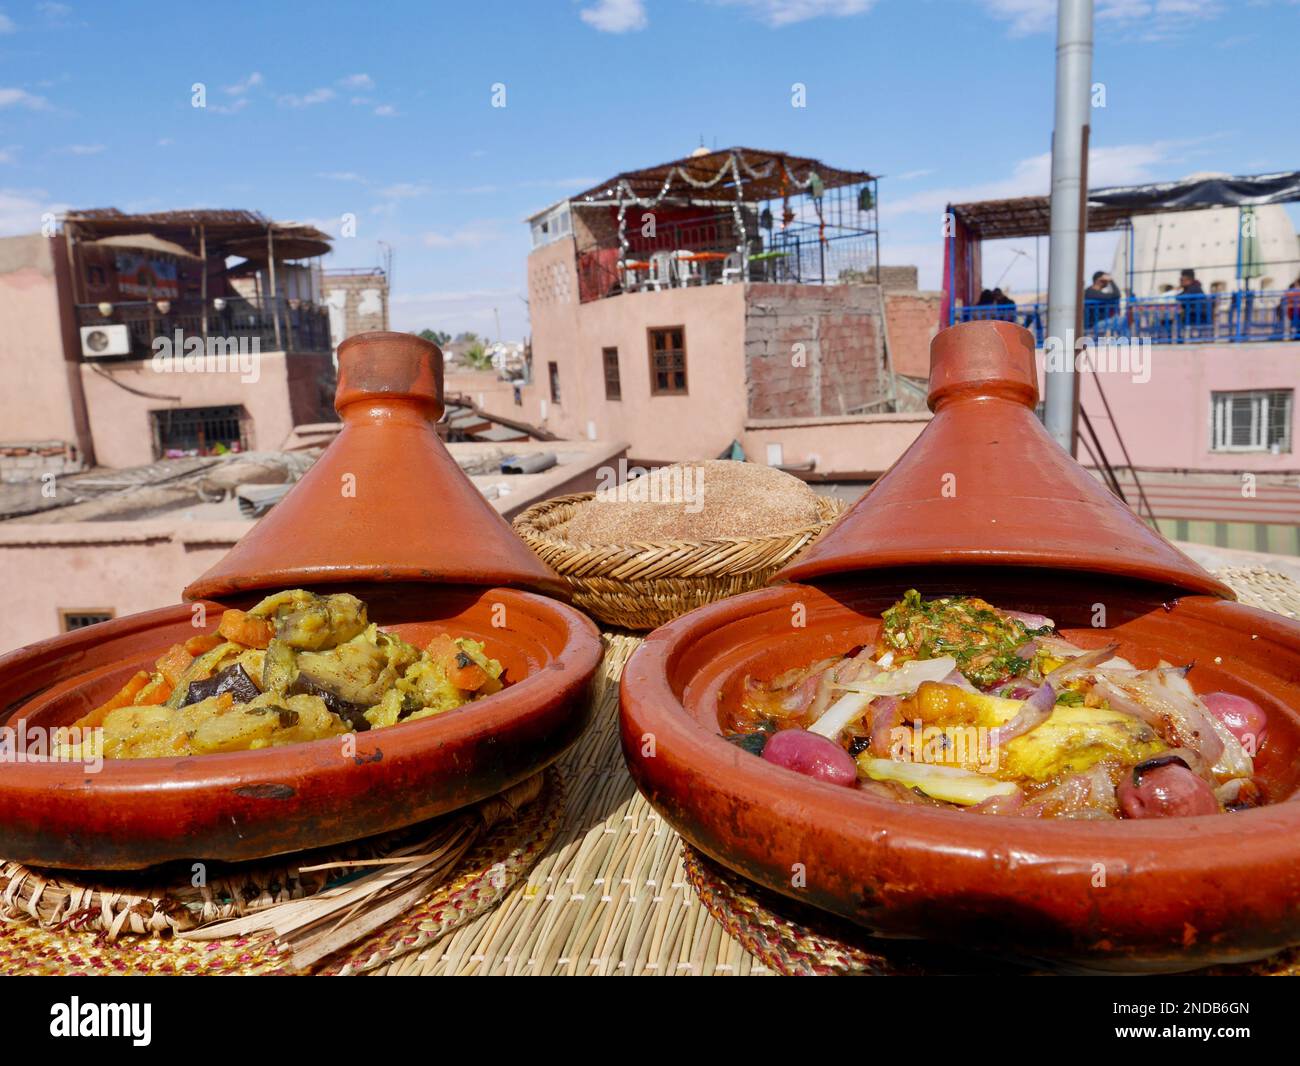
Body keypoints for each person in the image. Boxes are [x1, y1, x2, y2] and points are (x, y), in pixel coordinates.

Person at [1083, 270, 1122, 335]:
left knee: (1118, 319)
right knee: (1121, 320)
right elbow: (1116, 295)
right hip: (1094, 325)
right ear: (1099, 280)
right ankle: (1127, 341)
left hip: (1099, 323)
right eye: (1106, 280)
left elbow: (1115, 296)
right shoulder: (1091, 292)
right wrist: (1111, 280)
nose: (1107, 282)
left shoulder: (1095, 292)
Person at [1175, 268, 1208, 338]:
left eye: (1182, 280)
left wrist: (1177, 291)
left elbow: (1180, 297)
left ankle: (1177, 338)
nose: (1180, 282)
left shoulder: (1194, 288)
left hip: (1197, 316)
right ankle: (1147, 344)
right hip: (1193, 314)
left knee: (1172, 318)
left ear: (1189, 280)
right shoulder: (1189, 288)